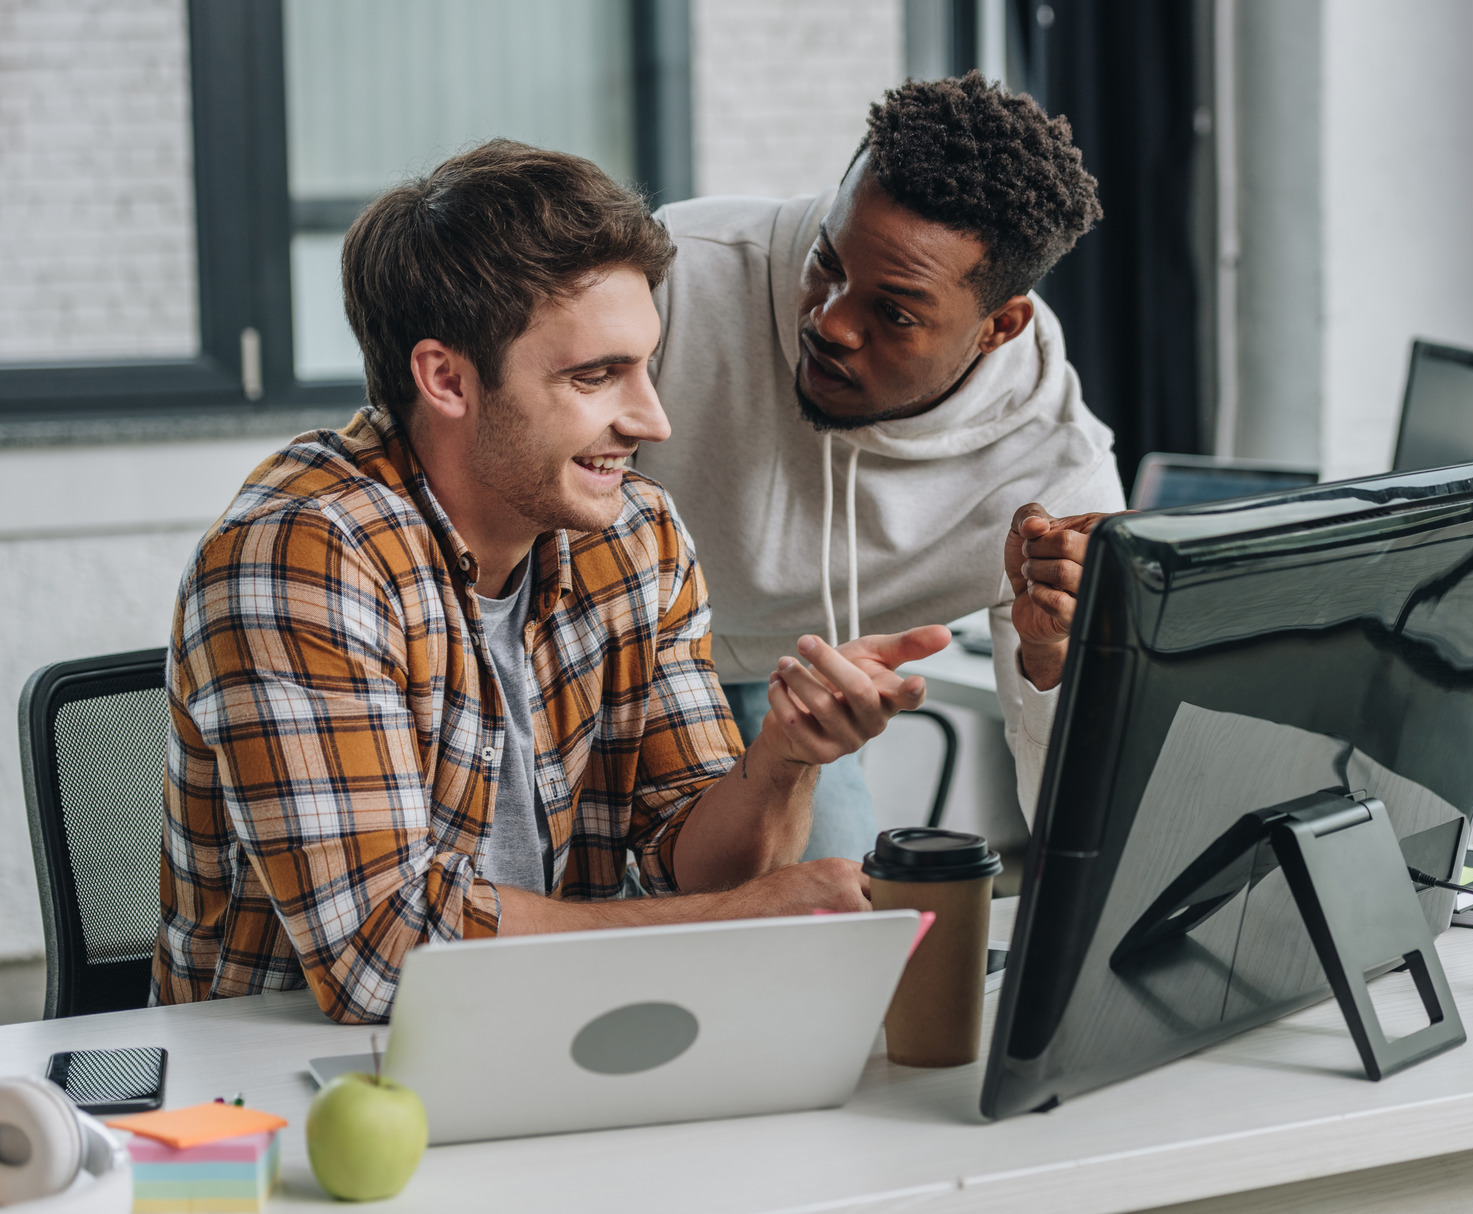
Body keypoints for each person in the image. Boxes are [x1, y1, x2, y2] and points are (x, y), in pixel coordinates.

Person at [152, 141, 948, 1025]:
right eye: (596, 375)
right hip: (289, 1090)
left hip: (563, 1034)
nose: (652, 418)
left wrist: (786, 759)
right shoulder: (301, 553)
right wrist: (720, 922)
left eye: (646, 363)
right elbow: (382, 960)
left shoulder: (636, 535)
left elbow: (698, 862)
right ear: (446, 379)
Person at [636, 72, 1124, 857]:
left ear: (999, 326)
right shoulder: (680, 273)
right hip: (599, 658)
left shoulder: (1052, 469)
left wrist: (1051, 660)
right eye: (828, 262)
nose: (829, 322)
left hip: (783, 688)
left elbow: (1081, 825)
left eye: (892, 312)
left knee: (840, 946)